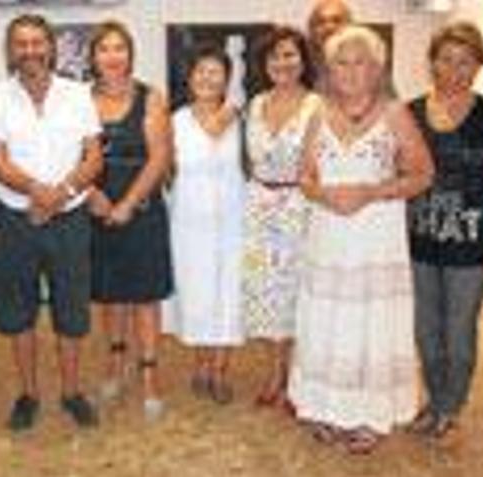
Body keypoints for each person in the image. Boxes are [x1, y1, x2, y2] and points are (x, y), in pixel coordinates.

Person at [289, 25, 433, 454]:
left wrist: (372, 191)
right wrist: (324, 194)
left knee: (372, 324)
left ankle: (370, 415)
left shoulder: (395, 114)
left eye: (360, 62)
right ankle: (327, 407)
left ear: (377, 68)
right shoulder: (318, 114)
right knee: (328, 321)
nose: (351, 71)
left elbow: (423, 175)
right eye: (341, 63)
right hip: (328, 236)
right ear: (329, 69)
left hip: (377, 239)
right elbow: (304, 177)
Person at [0, 13, 103, 431]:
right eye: (21, 43)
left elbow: (94, 158)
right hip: (17, 219)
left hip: (70, 219)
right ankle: (29, 394)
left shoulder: (78, 94)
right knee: (18, 313)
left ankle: (71, 392)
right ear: (10, 50)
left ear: (50, 46)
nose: (30, 50)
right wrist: (38, 192)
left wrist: (60, 194)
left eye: (37, 42)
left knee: (72, 311)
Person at [406, 22, 483, 443]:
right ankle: (434, 401)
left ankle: (451, 409)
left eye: (465, 62)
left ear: (478, 66)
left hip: (472, 247)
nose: (454, 70)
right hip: (419, 243)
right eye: (446, 59)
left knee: (459, 335)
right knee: (426, 333)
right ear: (432, 62)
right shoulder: (410, 113)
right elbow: (399, 177)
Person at [86, 20, 173, 421]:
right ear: (94, 57)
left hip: (142, 208)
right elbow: (69, 154)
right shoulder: (81, 99)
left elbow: (160, 158)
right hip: (98, 207)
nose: (112, 56)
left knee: (144, 296)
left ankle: (150, 376)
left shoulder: (151, 97)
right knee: (110, 295)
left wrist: (127, 204)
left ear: (130, 54)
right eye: (104, 48)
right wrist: (91, 193)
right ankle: (115, 366)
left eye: (119, 48)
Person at [163, 45, 247, 405]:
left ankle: (220, 370)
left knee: (228, 293)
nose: (207, 78)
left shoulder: (240, 119)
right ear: (189, 77)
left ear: (227, 79)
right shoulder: (175, 121)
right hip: (188, 223)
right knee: (196, 292)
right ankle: (200, 364)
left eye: (215, 71)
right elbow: (165, 171)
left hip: (232, 221)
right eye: (201, 71)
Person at [242, 25, 319, 412]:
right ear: (264, 63)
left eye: (290, 54)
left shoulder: (317, 105)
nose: (282, 62)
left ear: (303, 60)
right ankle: (275, 372)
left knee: (296, 295)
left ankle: (297, 379)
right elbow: (247, 158)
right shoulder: (255, 104)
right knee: (266, 294)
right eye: (274, 56)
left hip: (299, 208)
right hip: (259, 207)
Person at [306, 0, 353, 88]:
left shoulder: (368, 70)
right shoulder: (301, 72)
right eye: (321, 22)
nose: (329, 27)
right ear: (311, 31)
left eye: (337, 21)